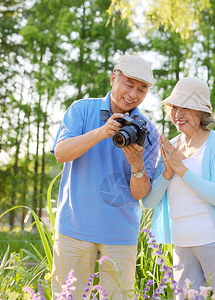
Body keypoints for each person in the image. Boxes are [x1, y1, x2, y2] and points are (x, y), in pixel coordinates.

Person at [50, 54, 160, 300]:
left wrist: (136, 163)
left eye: (142, 89)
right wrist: (101, 132)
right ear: (113, 79)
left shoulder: (148, 131)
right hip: (74, 229)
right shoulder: (81, 109)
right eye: (129, 84)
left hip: (121, 235)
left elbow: (141, 194)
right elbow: (61, 153)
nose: (134, 94)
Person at [142, 77, 215, 299]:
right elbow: (149, 201)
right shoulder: (169, 148)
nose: (177, 114)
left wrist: (180, 169)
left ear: (201, 112)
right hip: (182, 247)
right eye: (174, 107)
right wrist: (167, 171)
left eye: (185, 108)